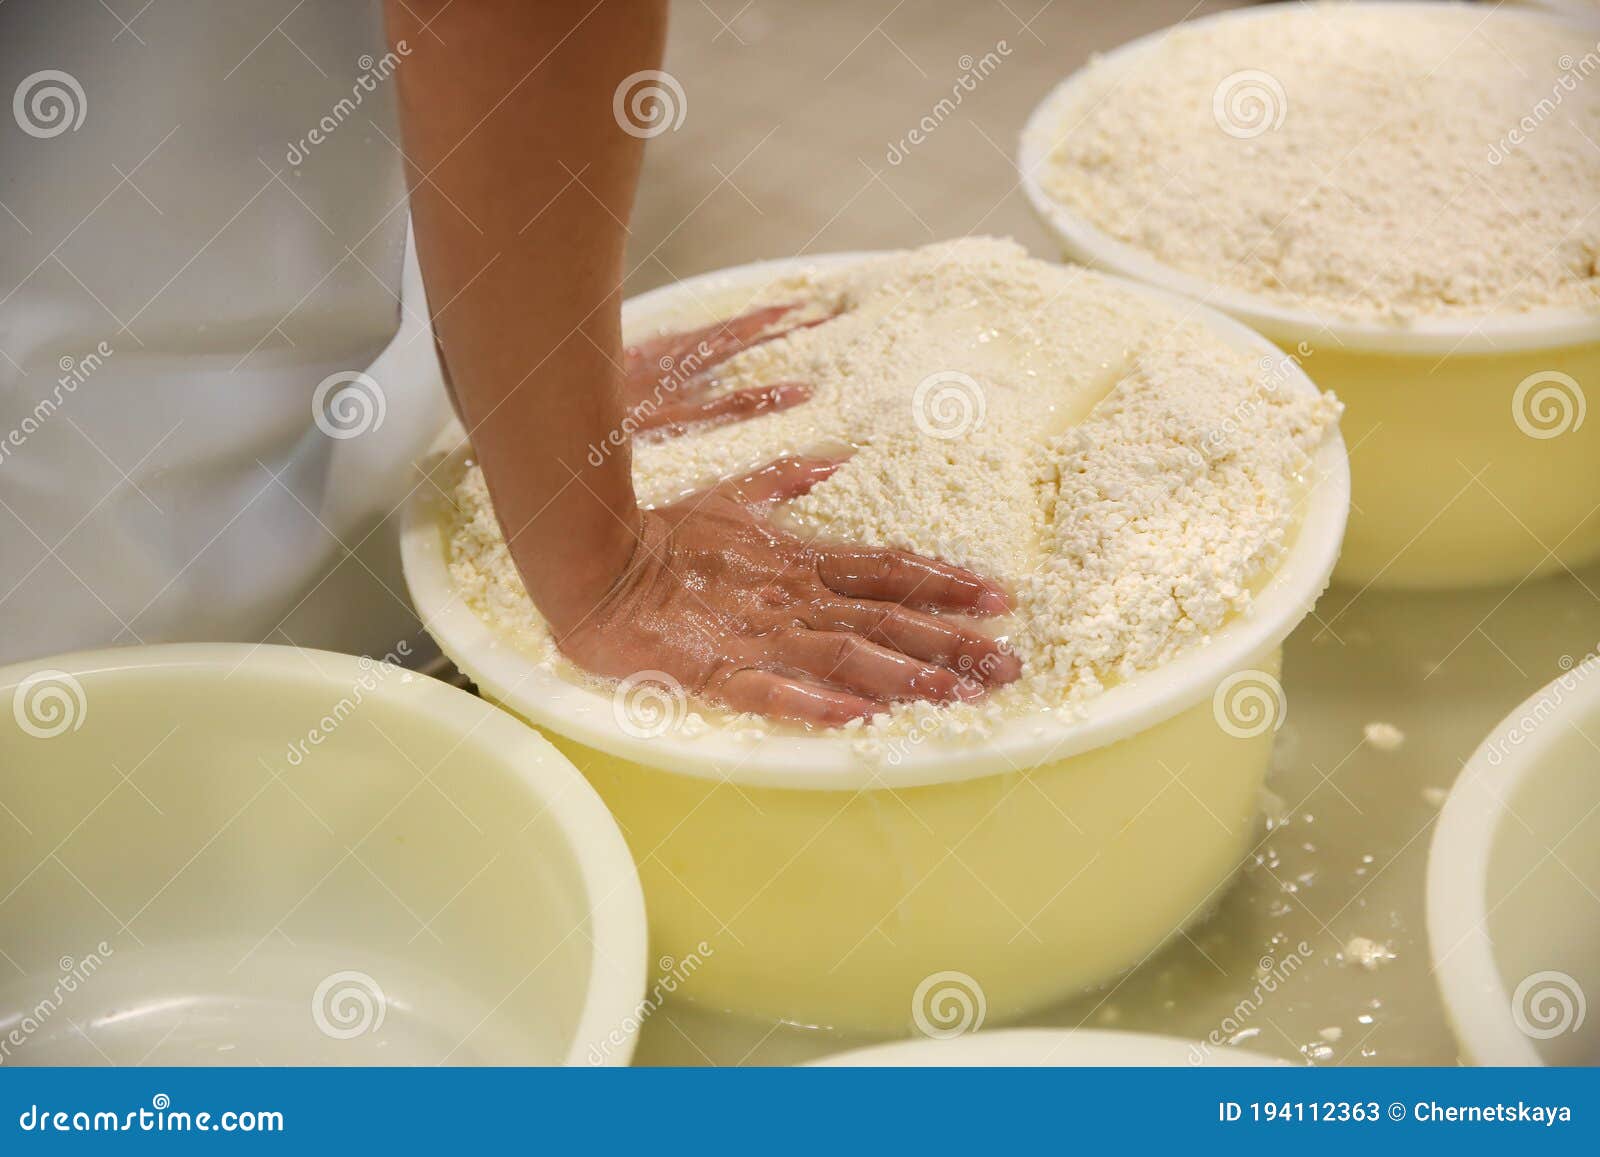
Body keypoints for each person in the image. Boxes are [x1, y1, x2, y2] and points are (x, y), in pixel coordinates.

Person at [0, 0, 1016, 726]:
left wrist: (527, 389)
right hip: (118, 593)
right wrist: (602, 560)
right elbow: (506, 17)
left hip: (174, 435)